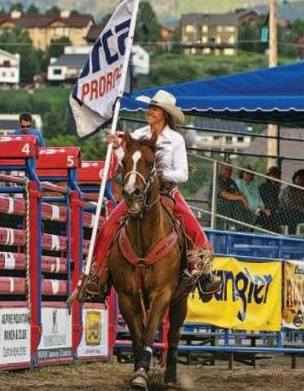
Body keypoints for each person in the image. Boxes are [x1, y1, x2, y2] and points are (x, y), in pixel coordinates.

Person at [72, 89, 221, 302]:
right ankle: (98, 274)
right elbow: (128, 162)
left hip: (166, 192)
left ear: (164, 114)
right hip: (138, 193)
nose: (149, 111)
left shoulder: (176, 139)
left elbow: (183, 174)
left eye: (154, 109)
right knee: (109, 226)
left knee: (193, 228)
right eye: (149, 108)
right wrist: (117, 148)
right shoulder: (139, 134)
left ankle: (203, 274)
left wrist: (161, 175)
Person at [278, 169, 304, 234]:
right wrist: (302, 209)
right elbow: (289, 203)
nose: (301, 181)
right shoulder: (289, 189)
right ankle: (292, 234)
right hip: (285, 212)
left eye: (303, 179)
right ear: (294, 179)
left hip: (302, 213)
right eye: (299, 179)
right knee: (293, 212)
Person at [256, 166, 283, 233]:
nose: (275, 177)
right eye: (272, 175)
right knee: (271, 219)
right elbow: (261, 200)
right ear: (269, 176)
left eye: (276, 175)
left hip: (275, 210)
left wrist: (277, 208)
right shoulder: (264, 186)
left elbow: (277, 201)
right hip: (263, 210)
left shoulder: (277, 187)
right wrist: (266, 209)